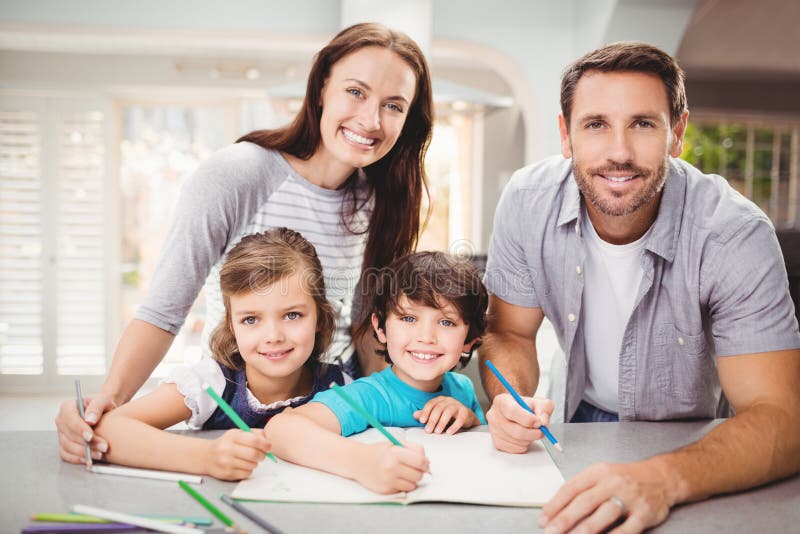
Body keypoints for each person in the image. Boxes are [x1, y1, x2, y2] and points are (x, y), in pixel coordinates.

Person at [56, 22, 432, 465]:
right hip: (235, 406)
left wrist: (394, 407)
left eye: (393, 105)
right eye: (355, 92)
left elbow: (369, 330)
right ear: (320, 90)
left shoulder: (382, 200)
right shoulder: (237, 175)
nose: (371, 120)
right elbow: (164, 310)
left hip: (328, 416)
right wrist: (109, 402)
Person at [480, 41, 800, 533]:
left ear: (677, 133)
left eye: (643, 124)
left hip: (695, 443)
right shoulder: (527, 202)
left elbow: (782, 419)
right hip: (573, 420)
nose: (619, 153)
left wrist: (664, 479)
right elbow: (510, 333)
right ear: (566, 134)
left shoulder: (734, 235)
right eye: (596, 124)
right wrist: (510, 398)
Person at [92, 229, 343, 480]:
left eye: (292, 315)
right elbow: (108, 429)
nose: (273, 336)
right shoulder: (209, 382)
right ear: (232, 326)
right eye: (251, 319)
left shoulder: (341, 386)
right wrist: (206, 456)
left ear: (320, 316)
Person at [266, 251, 488, 494]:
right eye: (408, 318)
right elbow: (280, 431)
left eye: (446, 322)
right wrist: (363, 463)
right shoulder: (368, 396)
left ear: (469, 339)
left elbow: (480, 446)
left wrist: (469, 419)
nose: (426, 337)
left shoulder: (462, 390)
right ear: (380, 328)